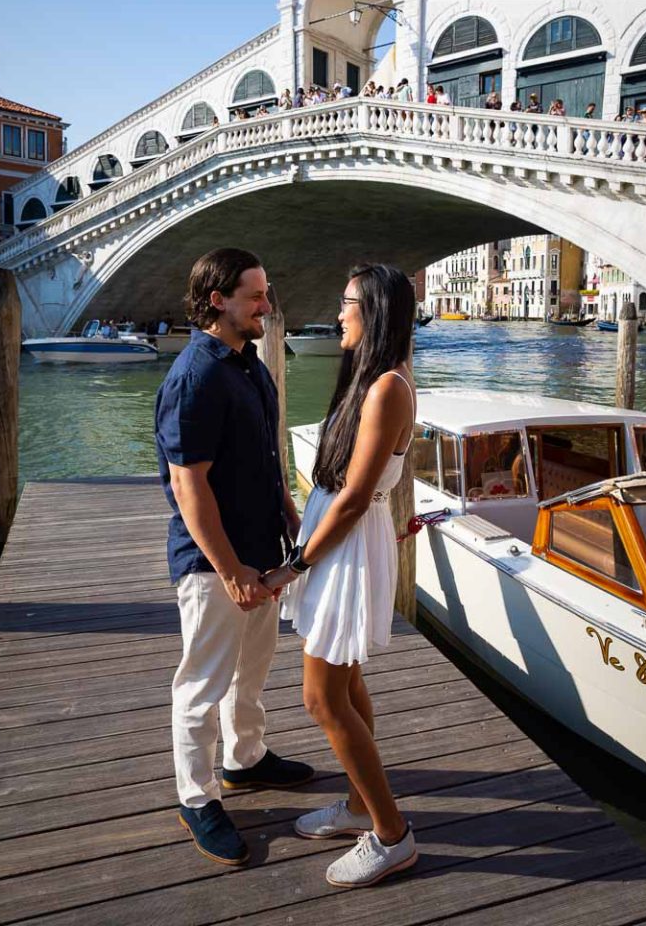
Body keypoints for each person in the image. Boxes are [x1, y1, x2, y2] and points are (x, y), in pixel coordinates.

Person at [155, 248, 313, 867]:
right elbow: (189, 485)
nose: (266, 305)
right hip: (213, 563)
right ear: (218, 300)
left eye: (266, 294)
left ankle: (245, 760)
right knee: (202, 682)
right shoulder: (195, 375)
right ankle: (196, 797)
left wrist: (288, 512)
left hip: (261, 550)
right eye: (256, 296)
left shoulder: (249, 363)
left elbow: (265, 452)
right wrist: (229, 570)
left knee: (250, 670)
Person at [265, 264, 418, 889]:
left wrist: (296, 563)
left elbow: (355, 498)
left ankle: (391, 834)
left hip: (347, 542)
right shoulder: (377, 380)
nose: (338, 313)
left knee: (321, 696)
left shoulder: (386, 388)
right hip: (344, 535)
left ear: (374, 310)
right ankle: (359, 806)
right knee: (345, 679)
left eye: (347, 302)